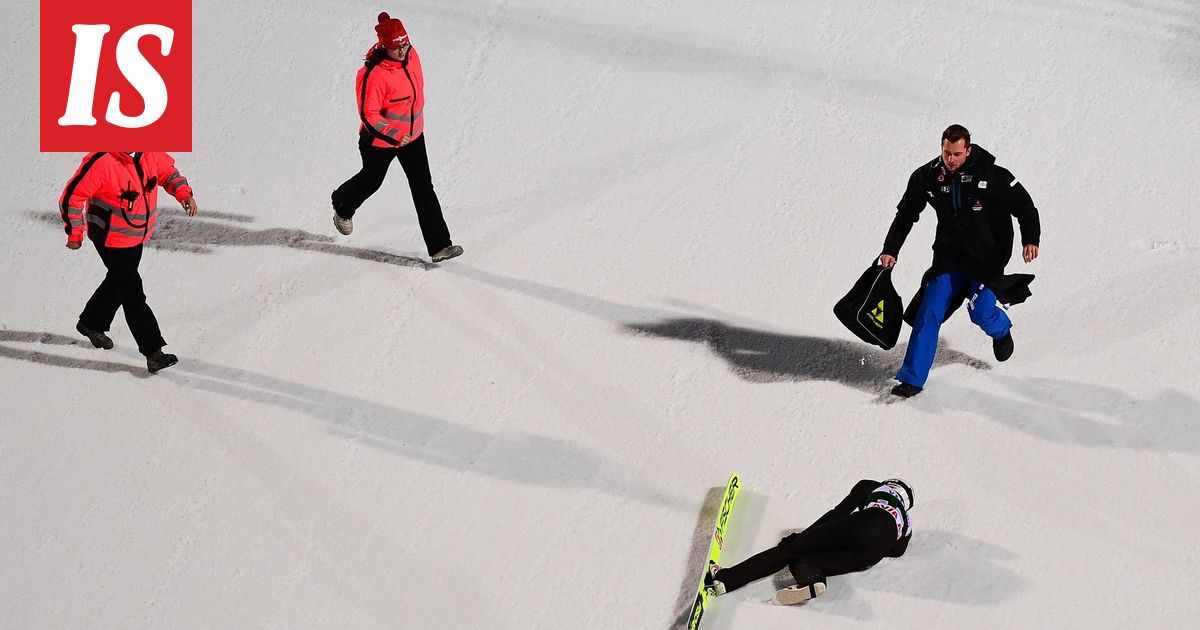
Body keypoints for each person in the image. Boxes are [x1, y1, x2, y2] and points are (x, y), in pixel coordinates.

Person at [879, 125, 1041, 397]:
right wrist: (890, 249)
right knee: (928, 312)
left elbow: (1025, 207)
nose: (950, 159)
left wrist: (1030, 239)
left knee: (981, 312)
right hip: (949, 259)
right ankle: (912, 380)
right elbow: (906, 214)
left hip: (987, 260)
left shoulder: (993, 176)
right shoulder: (928, 176)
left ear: (968, 150)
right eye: (946, 153)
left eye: (956, 154)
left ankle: (1000, 330)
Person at [331, 11, 463, 264]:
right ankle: (342, 203)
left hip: (412, 137)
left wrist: (409, 133)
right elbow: (368, 115)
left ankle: (439, 246)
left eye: (404, 44)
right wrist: (394, 135)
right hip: (380, 142)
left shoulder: (412, 55)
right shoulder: (375, 73)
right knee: (371, 181)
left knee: (423, 186)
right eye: (395, 48)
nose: (402, 51)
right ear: (384, 47)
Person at [59, 151, 198, 373]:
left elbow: (168, 173)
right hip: (110, 239)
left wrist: (183, 193)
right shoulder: (102, 161)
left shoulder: (150, 151)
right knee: (133, 293)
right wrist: (75, 234)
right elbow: (72, 197)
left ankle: (91, 322)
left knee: (119, 281)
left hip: (135, 237)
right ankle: (153, 352)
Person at [706, 479, 913, 605]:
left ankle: (725, 579)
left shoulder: (873, 486)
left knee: (791, 549)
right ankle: (813, 579)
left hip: (865, 523)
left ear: (890, 483)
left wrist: (805, 537)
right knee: (808, 559)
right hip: (871, 554)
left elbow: (838, 514)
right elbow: (896, 551)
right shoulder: (907, 523)